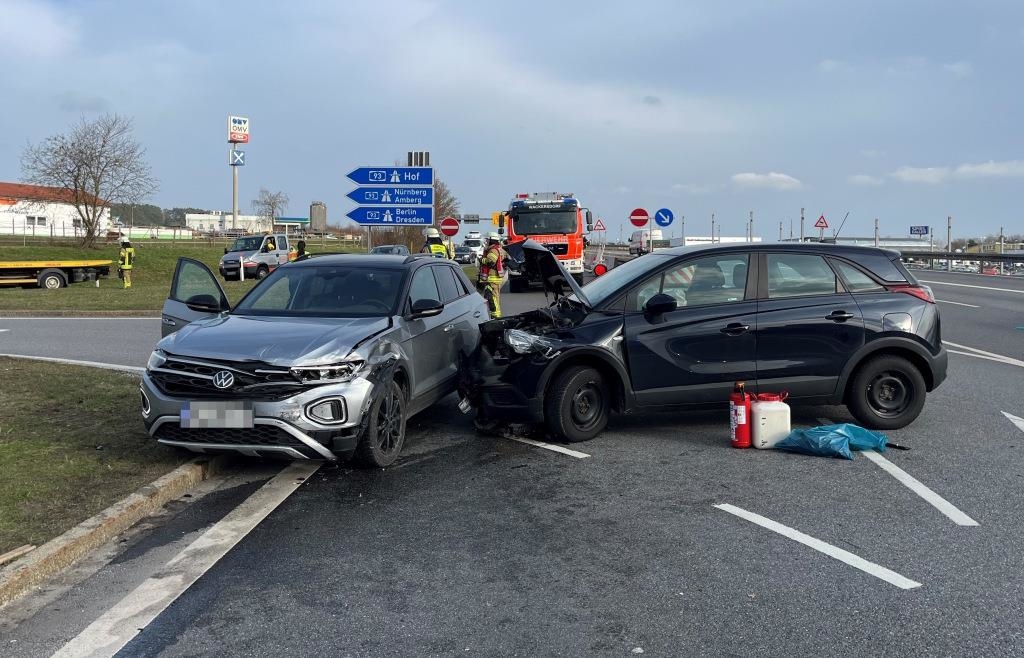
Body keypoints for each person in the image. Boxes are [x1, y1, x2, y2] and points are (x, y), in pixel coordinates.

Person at [477, 232, 507, 318]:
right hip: (493, 278)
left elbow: (490, 261)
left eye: (487, 240)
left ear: (491, 240)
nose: (486, 242)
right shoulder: (499, 248)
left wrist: (482, 260)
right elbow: (506, 257)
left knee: (492, 298)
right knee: (492, 297)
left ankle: (496, 317)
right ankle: (495, 315)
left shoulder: (493, 250)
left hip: (492, 278)